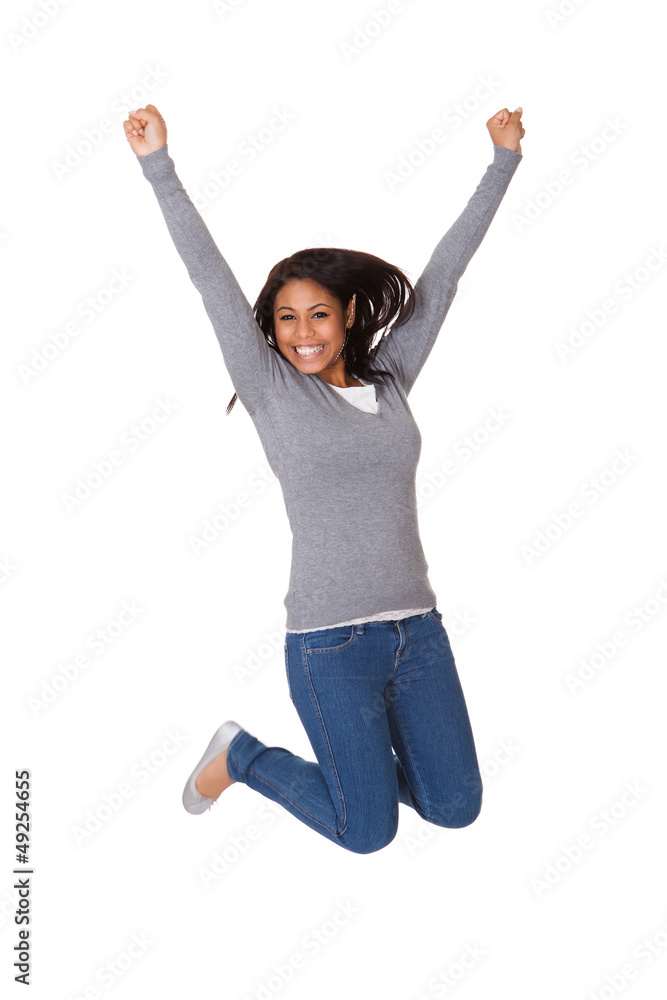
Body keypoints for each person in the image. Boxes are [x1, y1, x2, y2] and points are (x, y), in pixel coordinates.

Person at [124, 103, 524, 854]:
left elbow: (442, 279)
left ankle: (357, 770)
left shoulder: (390, 380)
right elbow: (210, 281)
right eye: (286, 319)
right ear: (271, 329)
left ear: (347, 317)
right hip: (330, 643)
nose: (301, 333)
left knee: (454, 807)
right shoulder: (274, 391)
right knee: (365, 829)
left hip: (418, 633)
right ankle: (243, 757)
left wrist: (502, 162)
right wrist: (159, 166)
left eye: (317, 315)